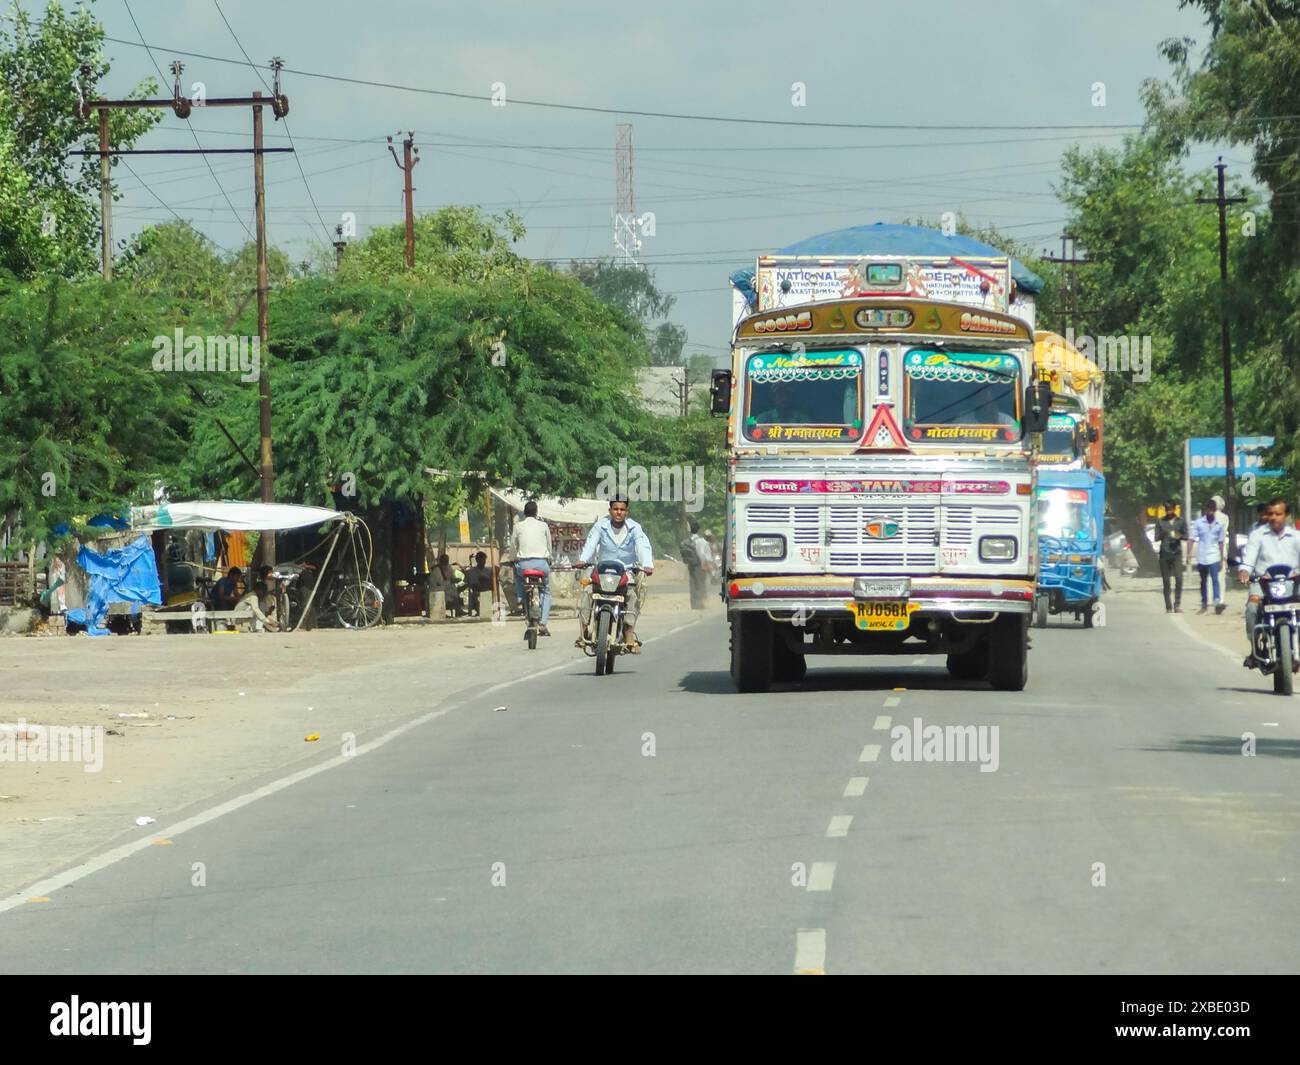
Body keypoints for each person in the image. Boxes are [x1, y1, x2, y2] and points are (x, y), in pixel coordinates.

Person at [576, 498, 654, 651]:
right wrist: (583, 559)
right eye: (616, 509)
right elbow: (591, 544)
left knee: (633, 596)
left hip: (626, 572)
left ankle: (629, 633)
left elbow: (643, 546)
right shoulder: (601, 526)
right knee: (587, 592)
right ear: (610, 510)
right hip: (602, 571)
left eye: (622, 509)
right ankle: (583, 632)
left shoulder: (635, 528)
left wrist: (647, 565)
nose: (619, 512)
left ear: (627, 512)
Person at [1237, 498, 1300, 668]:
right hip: (1263, 584)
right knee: (1251, 609)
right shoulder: (1258, 535)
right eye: (1270, 513)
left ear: (1286, 515)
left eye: (1278, 514)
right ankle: (1255, 649)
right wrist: (1244, 571)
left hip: (1292, 584)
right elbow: (1249, 558)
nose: (1273, 517)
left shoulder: (1296, 536)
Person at [509, 500, 554, 636]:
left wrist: (512, 559)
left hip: (524, 565)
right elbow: (549, 546)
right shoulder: (544, 525)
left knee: (517, 575)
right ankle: (543, 623)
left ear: (524, 512)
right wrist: (549, 560)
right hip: (542, 564)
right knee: (546, 591)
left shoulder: (518, 526)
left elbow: (513, 546)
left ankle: (520, 596)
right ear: (536, 512)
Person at [1189, 499, 1227, 614]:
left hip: (1214, 556)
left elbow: (1221, 542)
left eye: (1213, 510)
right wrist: (1188, 554)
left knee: (1215, 579)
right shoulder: (1198, 523)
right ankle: (1204, 603)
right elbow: (1191, 539)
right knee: (1203, 581)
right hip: (1202, 556)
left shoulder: (1219, 525)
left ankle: (1216, 602)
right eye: (1209, 510)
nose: (1210, 512)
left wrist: (1221, 558)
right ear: (1205, 510)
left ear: (1215, 511)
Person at [1153, 500, 1187, 613]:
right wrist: (1164, 533)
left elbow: (1186, 536)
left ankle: (1177, 605)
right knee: (1166, 581)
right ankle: (1168, 606)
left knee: (1179, 578)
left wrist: (1179, 536)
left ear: (1174, 509)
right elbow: (1156, 538)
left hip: (1176, 553)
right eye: (1167, 510)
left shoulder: (1180, 521)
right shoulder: (1160, 521)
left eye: (1170, 509)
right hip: (1164, 554)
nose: (1169, 512)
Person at [682, 518, 712, 611]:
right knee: (700, 584)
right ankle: (699, 604)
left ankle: (693, 604)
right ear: (698, 530)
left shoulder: (687, 541)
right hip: (699, 565)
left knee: (692, 584)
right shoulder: (702, 541)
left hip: (691, 565)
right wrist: (706, 564)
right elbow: (703, 554)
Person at [462, 551, 494, 616]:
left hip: (487, 590)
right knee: (475, 595)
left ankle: (484, 610)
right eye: (481, 560)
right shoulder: (471, 571)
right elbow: (468, 583)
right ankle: (479, 610)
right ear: (477, 560)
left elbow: (492, 583)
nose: (483, 561)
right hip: (476, 590)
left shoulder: (489, 570)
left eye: (484, 559)